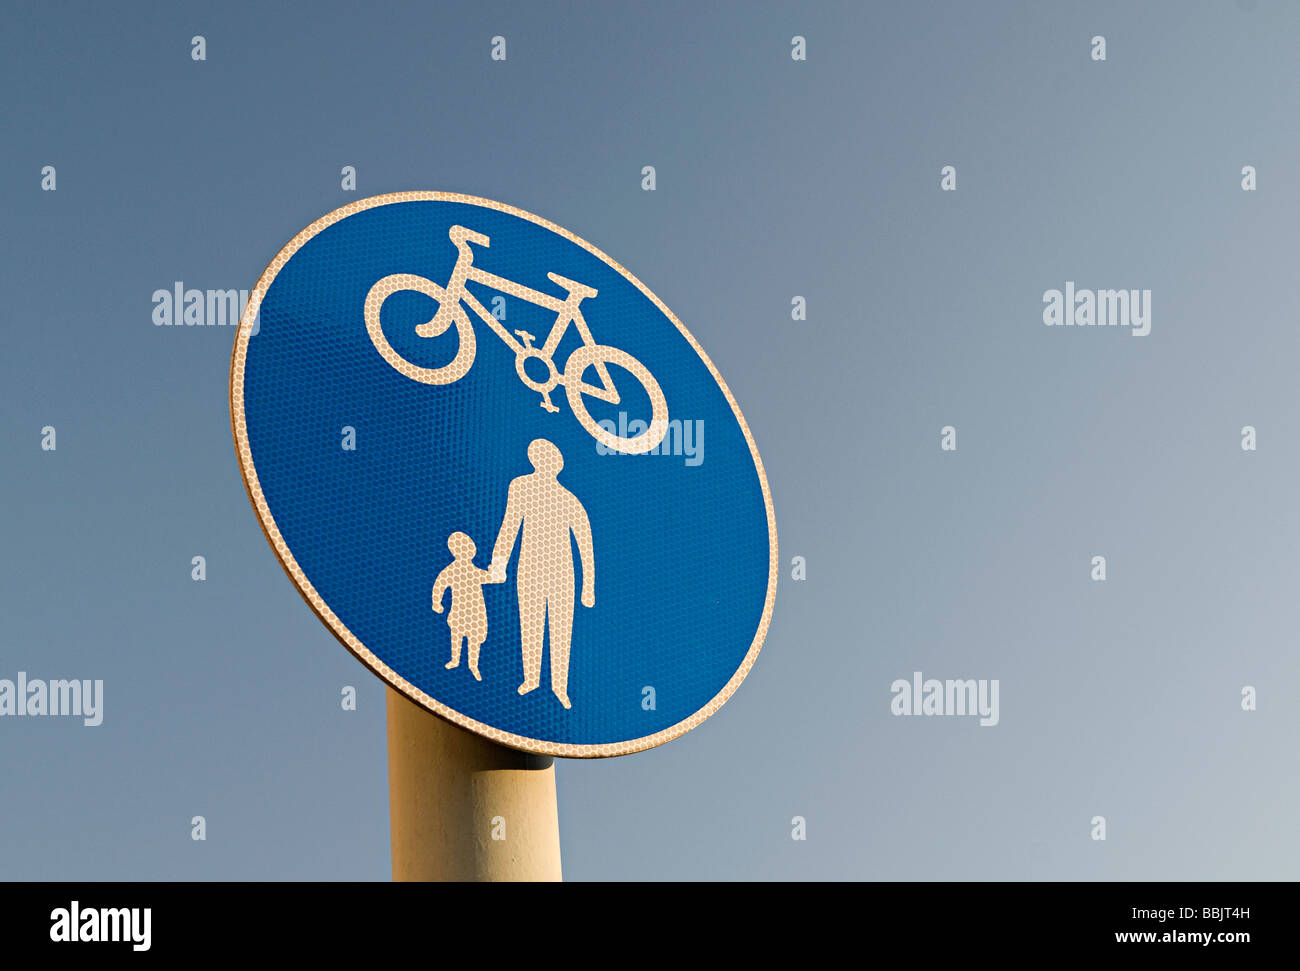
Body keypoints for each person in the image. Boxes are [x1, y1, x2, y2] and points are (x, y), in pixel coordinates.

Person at [490, 439, 594, 709]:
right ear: (533, 459)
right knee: (530, 623)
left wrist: (588, 586)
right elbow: (509, 526)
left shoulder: (569, 499)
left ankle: (560, 687)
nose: (546, 461)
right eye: (541, 455)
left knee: (561, 629)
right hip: (530, 567)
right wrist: (499, 564)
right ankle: (531, 679)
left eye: (551, 457)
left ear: (558, 464)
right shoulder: (521, 487)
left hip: (562, 572)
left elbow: (584, 541)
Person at [432, 532, 503, 681]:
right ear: (455, 551)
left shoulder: (474, 570)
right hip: (459, 611)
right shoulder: (451, 570)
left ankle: (473, 665)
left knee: (474, 640)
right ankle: (455, 660)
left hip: (476, 612)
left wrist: (498, 572)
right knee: (456, 635)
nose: (469, 549)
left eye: (469, 546)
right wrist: (436, 602)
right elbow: (440, 584)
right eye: (463, 546)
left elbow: (491, 578)